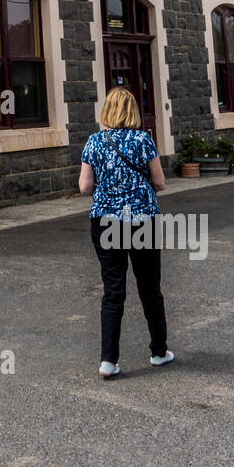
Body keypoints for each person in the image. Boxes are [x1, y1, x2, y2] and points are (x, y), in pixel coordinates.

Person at [80, 87, 171, 379]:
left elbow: (84, 187)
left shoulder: (94, 142)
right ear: (132, 110)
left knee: (113, 290)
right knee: (149, 288)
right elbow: (160, 182)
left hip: (106, 220)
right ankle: (158, 352)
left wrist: (107, 187)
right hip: (141, 219)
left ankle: (108, 360)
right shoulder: (144, 140)